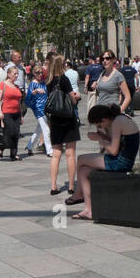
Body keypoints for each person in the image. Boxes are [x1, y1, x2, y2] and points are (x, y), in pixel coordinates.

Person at [68, 104, 140, 220]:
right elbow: (120, 143)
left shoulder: (117, 122)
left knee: (81, 159)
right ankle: (88, 210)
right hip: (123, 159)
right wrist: (103, 136)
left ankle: (78, 194)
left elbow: (113, 150)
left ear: (104, 119)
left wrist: (99, 139)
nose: (102, 127)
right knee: (83, 170)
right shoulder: (121, 118)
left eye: (100, 124)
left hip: (121, 162)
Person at [45, 54, 81, 195]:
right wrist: (77, 97)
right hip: (67, 118)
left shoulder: (48, 81)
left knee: (56, 154)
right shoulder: (64, 79)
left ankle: (54, 186)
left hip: (55, 119)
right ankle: (71, 186)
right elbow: (71, 97)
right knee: (70, 154)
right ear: (62, 64)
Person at [0, 65, 24, 161]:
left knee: (16, 134)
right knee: (10, 132)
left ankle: (13, 154)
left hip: (17, 113)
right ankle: (1, 147)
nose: (16, 75)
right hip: (7, 113)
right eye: (14, 73)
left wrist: (21, 115)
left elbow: (19, 102)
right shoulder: (3, 85)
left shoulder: (17, 86)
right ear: (9, 74)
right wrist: (0, 112)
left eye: (17, 73)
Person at [24, 64, 52, 158]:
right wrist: (34, 92)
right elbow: (27, 100)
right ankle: (49, 150)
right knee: (46, 129)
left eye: (41, 72)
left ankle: (29, 146)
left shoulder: (43, 83)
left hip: (46, 108)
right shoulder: (32, 84)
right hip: (38, 109)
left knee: (39, 129)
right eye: (37, 73)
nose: (40, 74)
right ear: (33, 74)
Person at [92, 52, 131, 117]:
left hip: (112, 114)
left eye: (107, 58)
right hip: (100, 113)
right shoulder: (102, 73)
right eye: (102, 59)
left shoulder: (118, 75)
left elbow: (128, 97)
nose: (104, 61)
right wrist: (95, 84)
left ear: (113, 60)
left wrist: (119, 111)